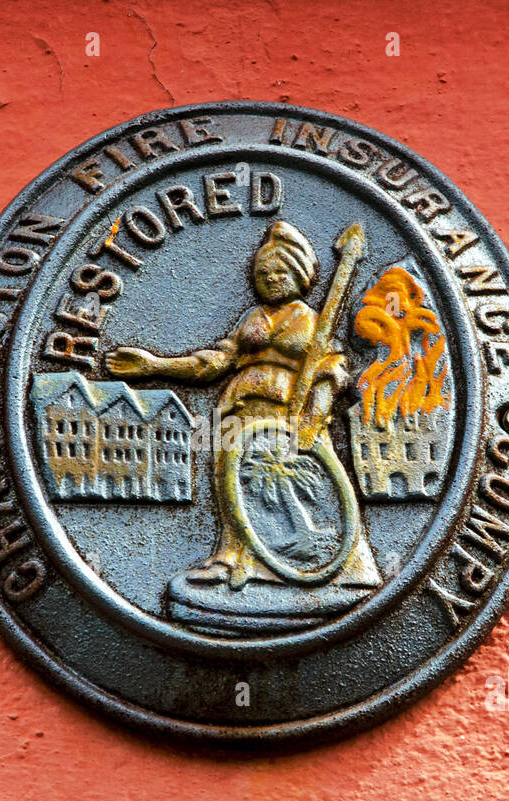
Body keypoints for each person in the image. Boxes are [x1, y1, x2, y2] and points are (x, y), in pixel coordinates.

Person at [105, 221, 380, 591]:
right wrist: (156, 365)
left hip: (290, 415)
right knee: (233, 484)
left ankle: (335, 566)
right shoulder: (252, 319)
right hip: (238, 411)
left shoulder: (313, 321)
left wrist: (314, 418)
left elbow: (332, 370)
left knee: (293, 484)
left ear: (300, 275)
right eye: (263, 272)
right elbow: (215, 362)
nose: (271, 278)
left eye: (281, 270)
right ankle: (233, 559)